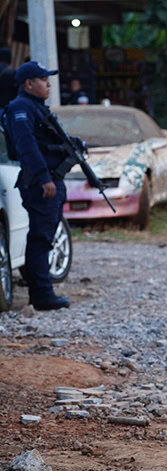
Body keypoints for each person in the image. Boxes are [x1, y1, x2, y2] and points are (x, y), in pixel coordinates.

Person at [5, 61, 70, 310]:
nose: (48, 84)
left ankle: (42, 290)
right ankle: (42, 294)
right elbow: (26, 146)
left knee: (45, 236)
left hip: (52, 180)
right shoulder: (21, 107)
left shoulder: (37, 108)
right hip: (41, 183)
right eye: (43, 80)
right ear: (29, 83)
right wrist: (44, 177)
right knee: (41, 239)